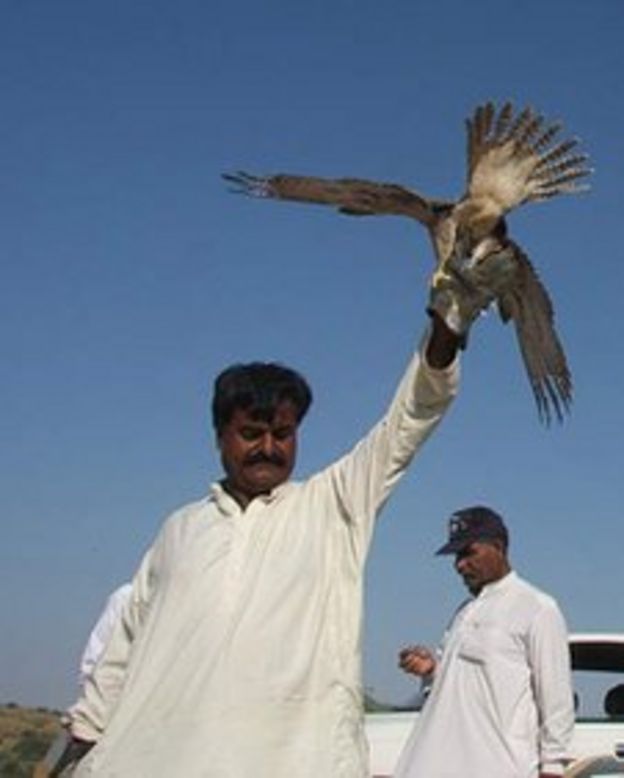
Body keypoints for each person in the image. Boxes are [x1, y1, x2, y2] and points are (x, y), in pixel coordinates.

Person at [62, 262, 502, 777]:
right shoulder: (180, 529)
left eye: (283, 433)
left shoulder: (334, 505)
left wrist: (449, 320)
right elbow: (125, 642)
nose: (268, 447)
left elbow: (410, 417)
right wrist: (84, 735)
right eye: (252, 432)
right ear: (220, 436)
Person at [394, 506, 575, 778]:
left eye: (469, 552)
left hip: (499, 767)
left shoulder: (537, 608)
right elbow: (445, 690)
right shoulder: (464, 612)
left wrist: (552, 766)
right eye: (456, 556)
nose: (459, 564)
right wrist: (431, 671)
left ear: (498, 547)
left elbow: (556, 697)